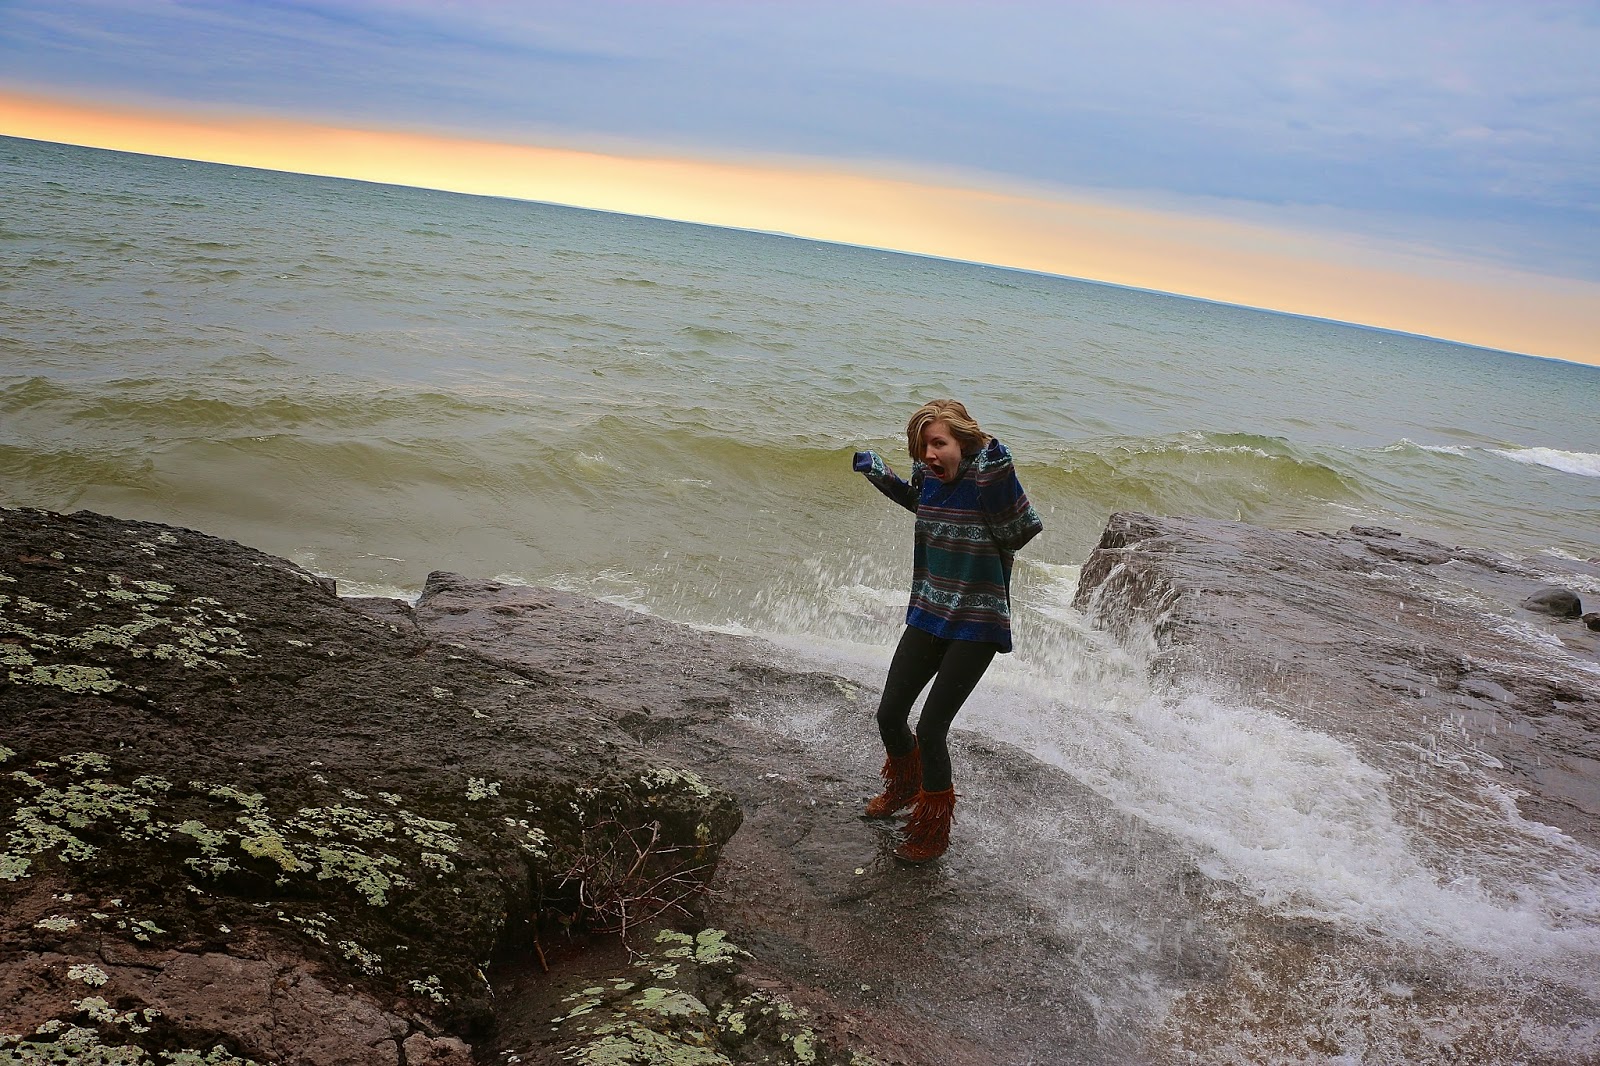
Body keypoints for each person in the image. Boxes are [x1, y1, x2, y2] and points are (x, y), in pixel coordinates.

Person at [852, 399, 1043, 862]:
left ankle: (932, 833)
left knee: (932, 726)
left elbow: (1020, 530)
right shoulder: (930, 481)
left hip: (976, 623)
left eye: (939, 443)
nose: (930, 454)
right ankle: (904, 789)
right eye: (922, 447)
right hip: (929, 612)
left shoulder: (986, 482)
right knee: (889, 714)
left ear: (965, 441)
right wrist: (880, 472)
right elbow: (919, 503)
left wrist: (997, 465)